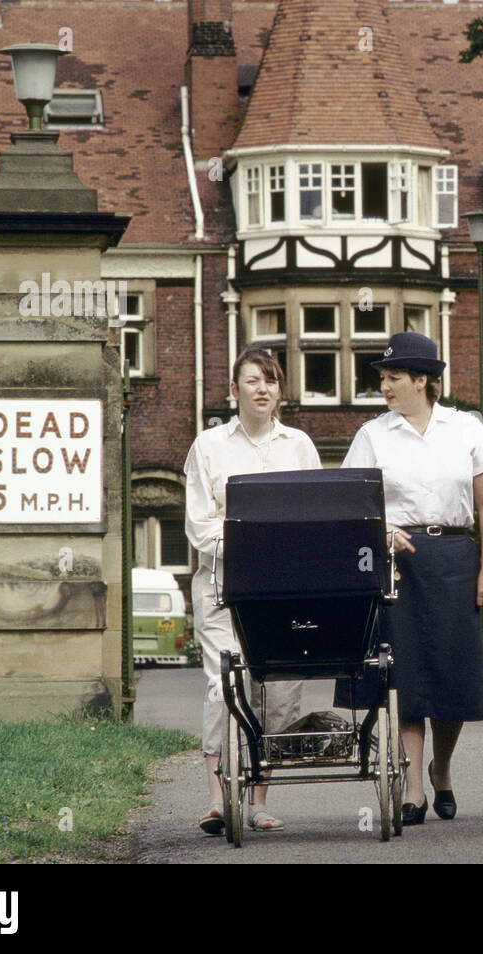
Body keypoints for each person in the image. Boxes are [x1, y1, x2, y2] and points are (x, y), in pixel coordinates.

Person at [340, 331, 483, 825]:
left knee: (452, 674)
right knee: (404, 674)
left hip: (455, 556)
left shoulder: (465, 428)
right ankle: (412, 787)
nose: (385, 387)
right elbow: (350, 499)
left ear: (424, 380)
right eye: (383, 378)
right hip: (397, 559)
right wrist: (381, 525)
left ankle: (442, 769)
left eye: (394, 378)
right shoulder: (373, 434)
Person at [184, 348, 322, 834]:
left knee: (279, 691)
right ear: (234, 390)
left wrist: (252, 527)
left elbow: (312, 520)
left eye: (270, 381)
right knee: (226, 683)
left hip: (283, 590)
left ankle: (260, 798)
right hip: (223, 586)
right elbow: (199, 528)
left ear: (280, 390)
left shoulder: (299, 446)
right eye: (252, 381)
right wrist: (256, 534)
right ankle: (219, 799)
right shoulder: (209, 446)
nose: (262, 389)